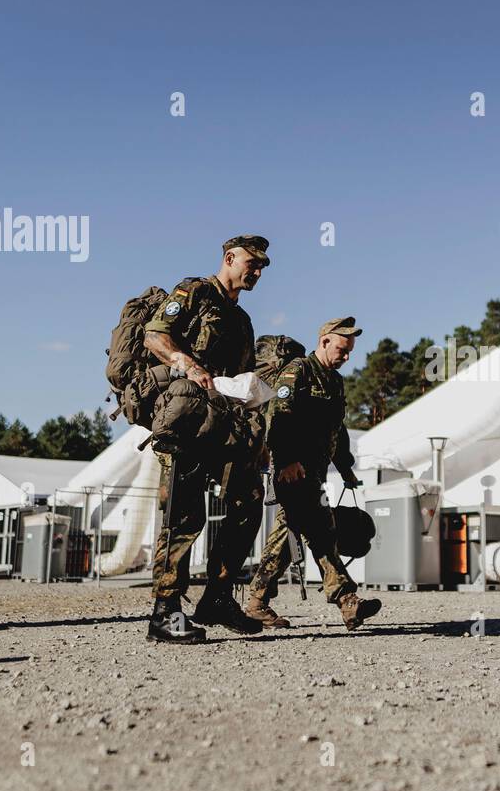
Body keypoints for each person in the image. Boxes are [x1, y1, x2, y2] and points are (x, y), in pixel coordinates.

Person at [140, 235, 271, 644]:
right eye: (252, 263)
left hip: (227, 424)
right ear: (229, 258)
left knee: (248, 501)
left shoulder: (243, 320)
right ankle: (165, 612)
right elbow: (154, 335)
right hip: (189, 421)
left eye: (262, 267)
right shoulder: (194, 291)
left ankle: (217, 596)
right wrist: (189, 365)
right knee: (185, 514)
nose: (257, 271)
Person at [246, 317, 381, 630]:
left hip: (314, 472)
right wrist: (288, 460)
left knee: (293, 534)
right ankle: (347, 601)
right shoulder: (298, 371)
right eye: (342, 350)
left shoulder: (334, 382)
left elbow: (334, 431)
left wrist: (345, 469)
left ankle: (257, 602)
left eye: (349, 352)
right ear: (324, 342)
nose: (346, 357)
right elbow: (277, 417)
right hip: (292, 471)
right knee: (319, 532)